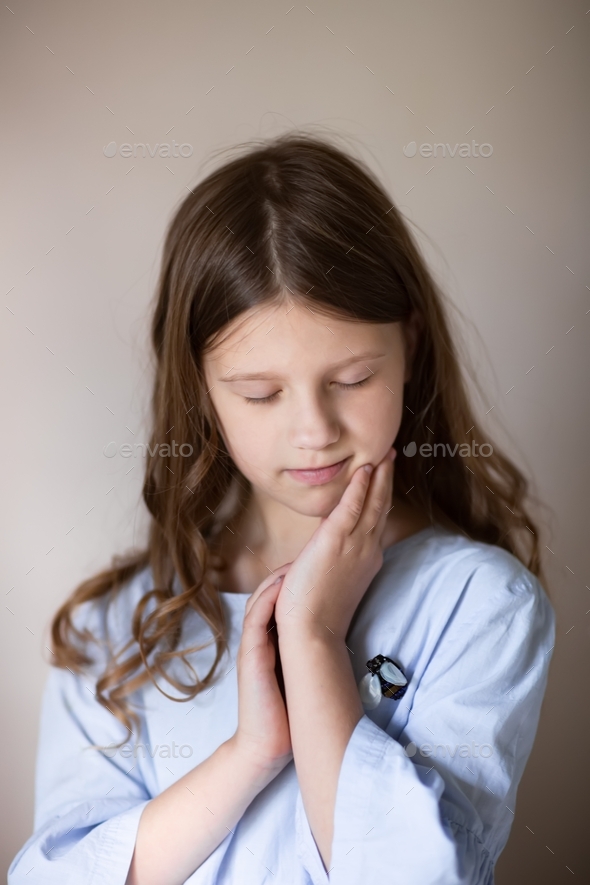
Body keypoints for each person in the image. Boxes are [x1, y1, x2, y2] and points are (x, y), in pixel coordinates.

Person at [8, 132, 555, 885]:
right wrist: (248, 753)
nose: (314, 430)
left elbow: (415, 873)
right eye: (261, 393)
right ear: (200, 386)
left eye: (354, 377)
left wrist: (314, 636)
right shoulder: (117, 630)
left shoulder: (480, 603)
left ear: (411, 347)